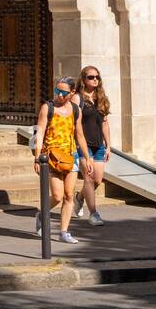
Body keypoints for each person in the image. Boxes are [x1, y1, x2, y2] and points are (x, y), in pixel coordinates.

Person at [32, 77, 94, 244]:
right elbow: (40, 133)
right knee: (58, 196)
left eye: (63, 92)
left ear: (72, 92)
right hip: (51, 157)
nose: (59, 95)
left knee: (68, 195)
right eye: (57, 91)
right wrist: (37, 158)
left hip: (70, 156)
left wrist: (87, 158)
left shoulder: (75, 110)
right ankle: (42, 213)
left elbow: (79, 134)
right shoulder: (48, 107)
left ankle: (64, 232)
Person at [73, 65, 111, 225]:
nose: (95, 79)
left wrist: (108, 146)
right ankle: (94, 214)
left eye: (97, 77)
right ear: (83, 79)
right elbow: (75, 124)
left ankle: (79, 197)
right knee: (88, 178)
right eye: (91, 77)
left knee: (97, 180)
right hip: (83, 144)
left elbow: (104, 123)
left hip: (98, 145)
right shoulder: (77, 98)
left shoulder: (101, 98)